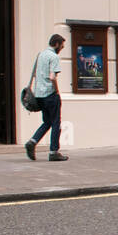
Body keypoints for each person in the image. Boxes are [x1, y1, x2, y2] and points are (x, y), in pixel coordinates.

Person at [25, 33, 67, 162]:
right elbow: (52, 77)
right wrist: (57, 91)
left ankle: (32, 141)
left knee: (47, 121)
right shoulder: (53, 57)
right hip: (50, 94)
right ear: (56, 44)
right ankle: (54, 151)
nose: (62, 48)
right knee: (55, 123)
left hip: (39, 95)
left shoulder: (41, 55)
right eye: (61, 46)